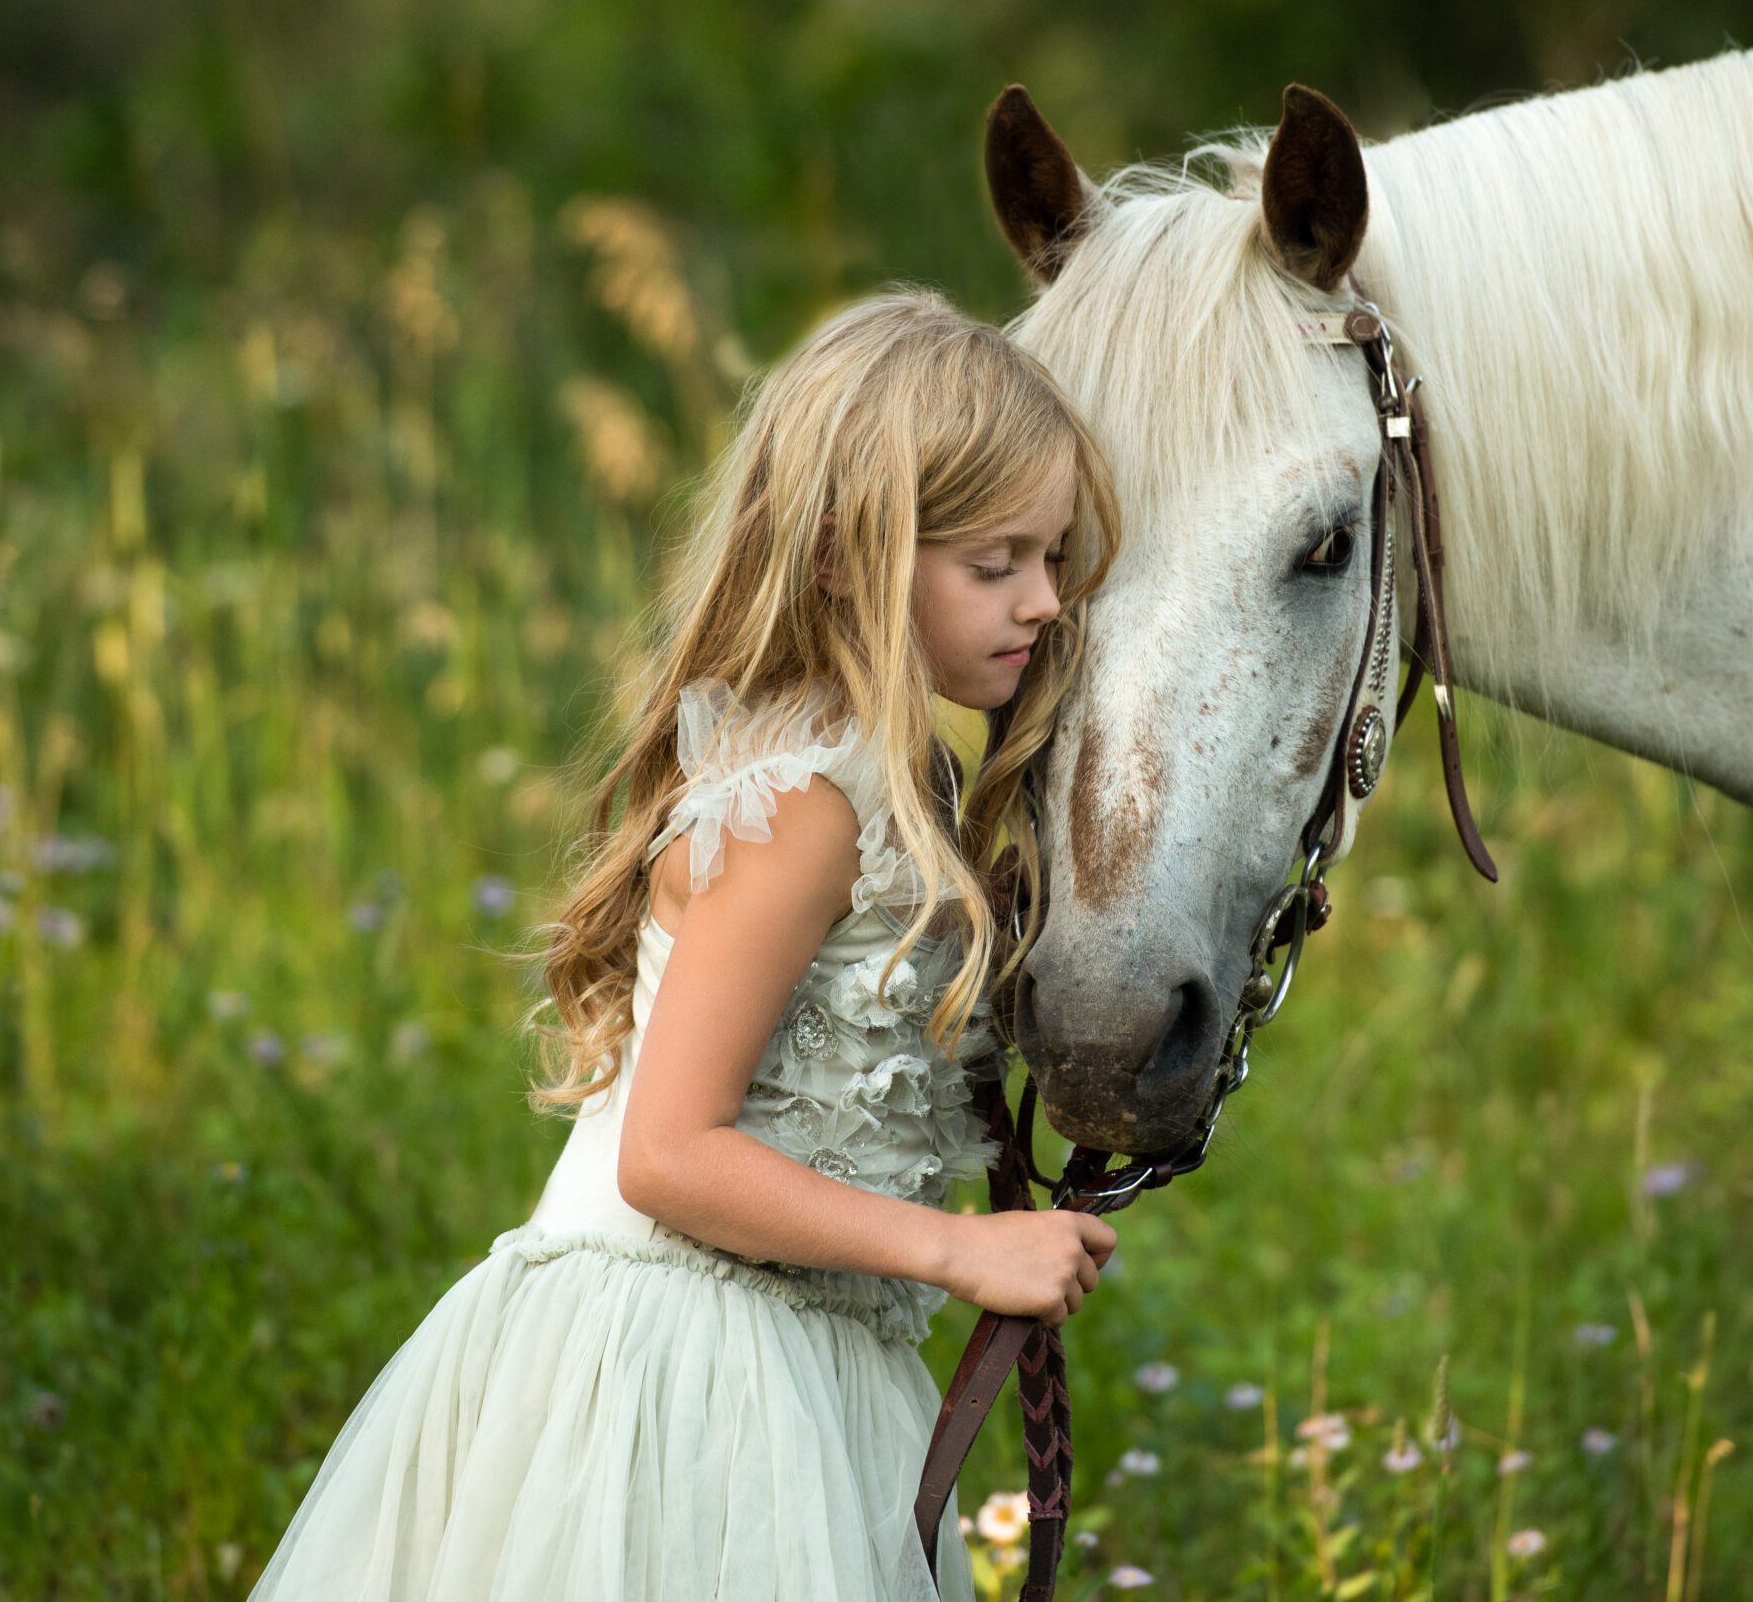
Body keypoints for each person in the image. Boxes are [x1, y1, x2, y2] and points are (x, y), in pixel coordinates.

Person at [246, 287, 1125, 1601]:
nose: (1043, 601)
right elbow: (667, 1154)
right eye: (995, 564)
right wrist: (958, 1250)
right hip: (685, 1367)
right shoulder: (804, 806)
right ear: (844, 555)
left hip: (803, 1355)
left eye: (1052, 559)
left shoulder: (901, 786)